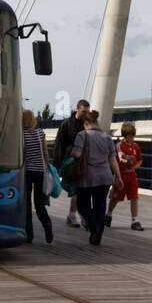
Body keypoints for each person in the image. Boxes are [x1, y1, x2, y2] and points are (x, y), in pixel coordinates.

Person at [71, 109, 119, 246]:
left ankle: (93, 227)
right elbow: (113, 159)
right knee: (100, 206)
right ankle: (98, 233)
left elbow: (78, 154)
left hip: (87, 177)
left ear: (86, 123)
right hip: (104, 177)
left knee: (82, 204)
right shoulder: (107, 137)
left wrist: (72, 154)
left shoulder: (82, 135)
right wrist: (118, 176)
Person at [52, 98, 91, 227]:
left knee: (82, 191)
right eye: (84, 111)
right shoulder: (67, 124)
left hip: (85, 162)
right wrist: (58, 165)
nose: (86, 114)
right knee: (76, 191)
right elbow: (59, 144)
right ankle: (76, 216)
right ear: (77, 109)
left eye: (87, 112)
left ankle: (76, 215)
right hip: (72, 162)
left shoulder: (88, 124)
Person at [21, 110, 53, 244]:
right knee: (39, 204)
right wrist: (47, 166)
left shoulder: (22, 135)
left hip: (27, 172)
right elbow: (46, 152)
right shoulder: (40, 133)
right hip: (41, 171)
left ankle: (29, 235)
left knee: (26, 204)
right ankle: (47, 227)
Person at [108, 121, 144, 230]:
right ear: (125, 136)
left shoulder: (136, 146)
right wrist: (132, 159)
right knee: (116, 198)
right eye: (129, 136)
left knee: (134, 198)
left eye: (133, 136)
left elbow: (140, 160)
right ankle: (108, 214)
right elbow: (122, 158)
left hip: (132, 175)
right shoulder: (119, 145)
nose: (131, 139)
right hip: (121, 175)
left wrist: (135, 166)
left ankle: (135, 220)